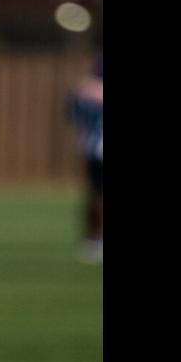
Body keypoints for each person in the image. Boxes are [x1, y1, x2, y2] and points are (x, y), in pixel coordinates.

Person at [70, 52, 103, 263]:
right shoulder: (88, 90)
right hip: (96, 150)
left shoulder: (86, 90)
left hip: (92, 150)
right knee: (97, 196)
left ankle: (93, 239)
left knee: (96, 195)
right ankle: (94, 239)